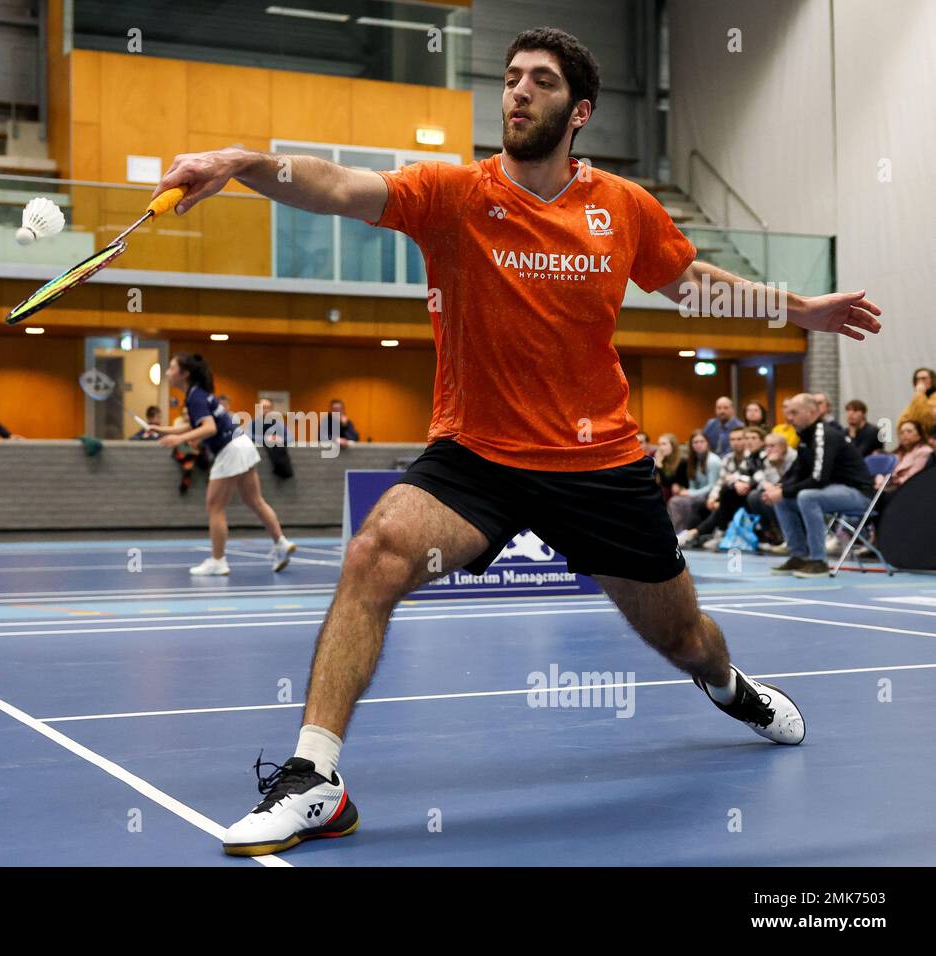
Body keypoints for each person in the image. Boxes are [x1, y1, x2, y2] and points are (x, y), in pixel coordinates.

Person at [154, 26, 880, 856]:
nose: (518, 92)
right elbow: (340, 187)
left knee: (684, 638)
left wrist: (800, 311)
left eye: (539, 80)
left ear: (581, 112)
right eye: (510, 79)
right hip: (478, 455)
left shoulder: (624, 208)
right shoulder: (454, 195)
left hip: (601, 463)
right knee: (377, 551)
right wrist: (243, 163)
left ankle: (729, 687)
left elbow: (690, 284)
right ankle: (316, 778)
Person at [147, 354, 295, 574]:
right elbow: (193, 425)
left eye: (171, 368)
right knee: (254, 500)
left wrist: (178, 440)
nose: (167, 372)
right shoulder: (199, 394)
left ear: (184, 373)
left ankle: (218, 561)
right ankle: (281, 542)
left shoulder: (195, 397)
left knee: (215, 507)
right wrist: (163, 430)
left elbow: (208, 429)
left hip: (230, 449)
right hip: (242, 443)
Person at [763, 393, 875, 578]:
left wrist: (784, 491)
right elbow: (798, 470)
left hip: (859, 494)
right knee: (782, 500)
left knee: (807, 496)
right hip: (832, 492)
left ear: (813, 413)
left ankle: (819, 561)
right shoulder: (805, 436)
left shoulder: (824, 434)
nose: (789, 418)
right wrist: (779, 488)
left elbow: (818, 479)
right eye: (788, 412)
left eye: (795, 413)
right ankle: (798, 555)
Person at [667, 430, 722, 534]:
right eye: (695, 442)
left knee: (677, 502)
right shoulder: (693, 460)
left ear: (707, 443)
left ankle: (681, 533)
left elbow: (712, 486)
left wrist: (689, 493)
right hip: (699, 494)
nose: (698, 445)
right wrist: (687, 492)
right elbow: (693, 485)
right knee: (676, 499)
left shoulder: (713, 460)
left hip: (711, 495)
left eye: (702, 441)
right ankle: (676, 532)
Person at [898, 368, 936, 435]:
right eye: (917, 379)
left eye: (924, 378)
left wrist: (920, 393)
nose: (920, 382)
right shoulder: (917, 398)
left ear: (932, 380)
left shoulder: (922, 396)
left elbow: (925, 418)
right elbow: (904, 419)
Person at [652, 433, 686, 502]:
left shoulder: (682, 461)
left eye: (664, 444)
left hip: (680, 492)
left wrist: (659, 465)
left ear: (673, 446)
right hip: (665, 491)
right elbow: (655, 479)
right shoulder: (662, 459)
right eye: (659, 444)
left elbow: (668, 483)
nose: (660, 448)